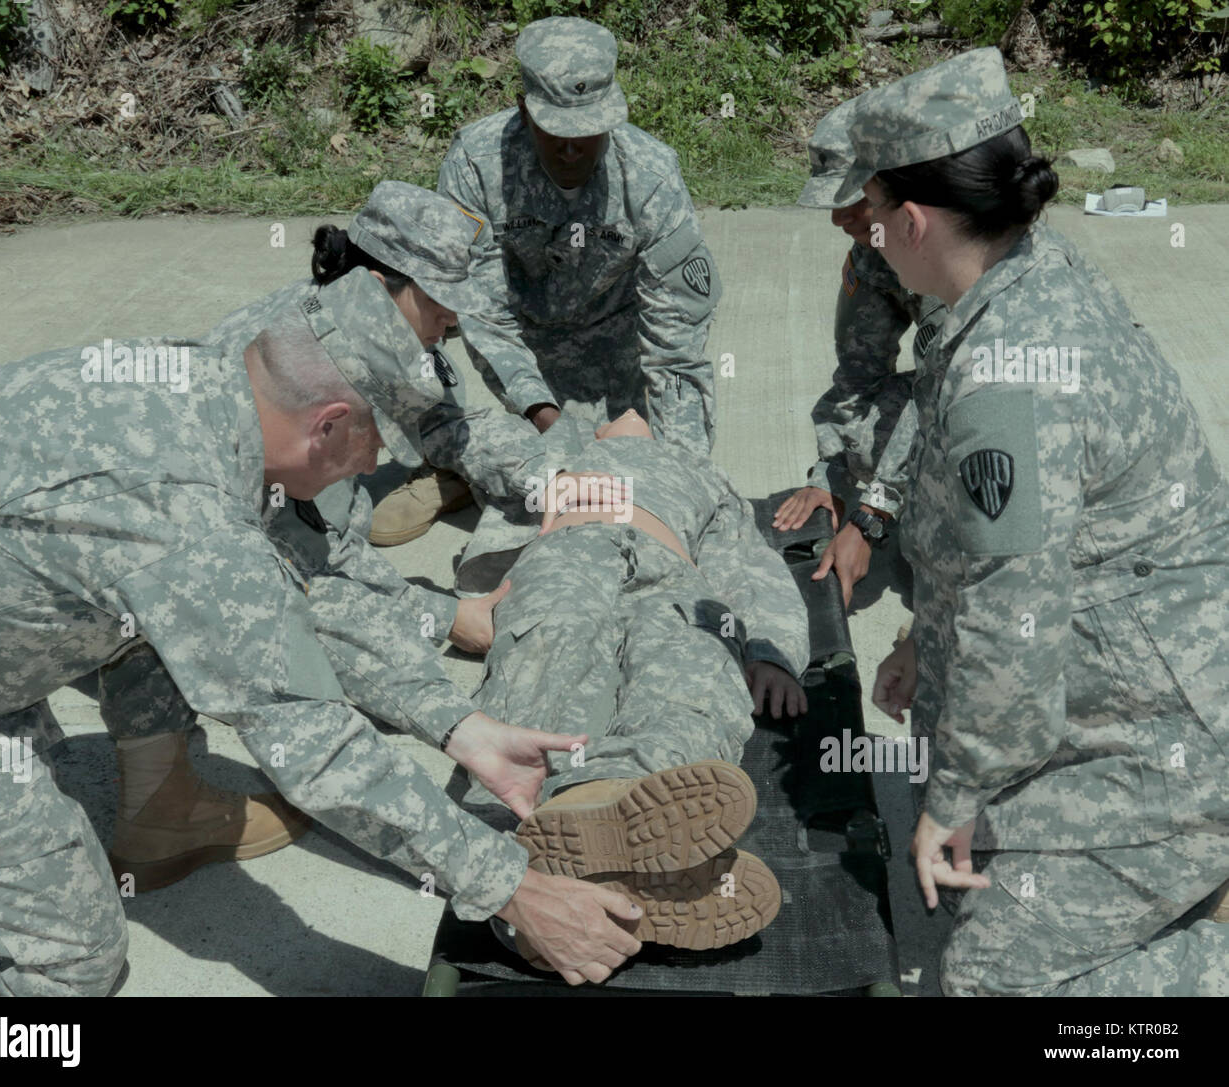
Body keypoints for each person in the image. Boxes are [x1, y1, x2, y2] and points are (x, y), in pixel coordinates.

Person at [0, 273, 653, 994]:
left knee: (164, 617)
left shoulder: (211, 388)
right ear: (329, 422)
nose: (375, 466)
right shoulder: (184, 520)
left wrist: (459, 726)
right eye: (375, 444)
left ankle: (163, 817)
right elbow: (315, 741)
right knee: (65, 967)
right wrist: (509, 887)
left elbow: (303, 598)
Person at [92, 182, 626, 893]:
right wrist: (446, 654)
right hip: (135, 555)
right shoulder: (283, 383)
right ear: (382, 284)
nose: (450, 324)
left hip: (249, 535)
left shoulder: (373, 332)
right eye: (440, 305)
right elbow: (308, 594)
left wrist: (549, 481)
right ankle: (161, 806)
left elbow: (447, 427)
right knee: (187, 625)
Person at [847, 47, 1229, 995]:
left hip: (1163, 731)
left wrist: (956, 793)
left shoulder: (1007, 372)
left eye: (870, 213)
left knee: (991, 983)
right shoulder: (1024, 275)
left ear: (913, 218)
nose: (865, 236)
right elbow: (1004, 544)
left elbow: (1016, 628)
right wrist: (923, 641)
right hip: (1127, 681)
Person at [465, 407, 810, 955]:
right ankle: (585, 821)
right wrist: (547, 468)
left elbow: (744, 560)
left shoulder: (702, 471)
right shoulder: (559, 445)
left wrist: (770, 650)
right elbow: (467, 432)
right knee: (552, 662)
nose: (629, 410)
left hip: (673, 574)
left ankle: (595, 843)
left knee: (697, 667)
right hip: (569, 555)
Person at [384, 15, 720, 556]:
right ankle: (451, 458)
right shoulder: (477, 160)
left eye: (588, 132)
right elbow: (479, 308)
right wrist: (538, 409)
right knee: (413, 310)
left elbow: (676, 347)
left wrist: (684, 475)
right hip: (519, 343)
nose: (572, 151)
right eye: (556, 132)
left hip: (617, 351)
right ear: (524, 109)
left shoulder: (652, 176)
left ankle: (498, 466)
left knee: (620, 482)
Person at [773, 97, 946, 609]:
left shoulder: (961, 256)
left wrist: (871, 518)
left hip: (1034, 416)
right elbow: (856, 376)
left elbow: (945, 395)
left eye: (854, 200)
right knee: (866, 435)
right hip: (960, 390)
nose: (836, 219)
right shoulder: (876, 251)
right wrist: (832, 475)